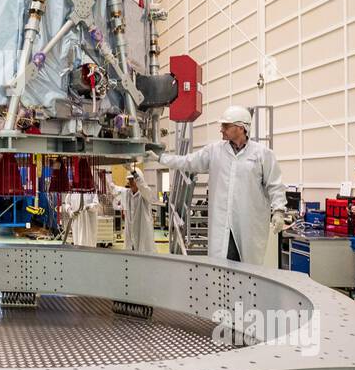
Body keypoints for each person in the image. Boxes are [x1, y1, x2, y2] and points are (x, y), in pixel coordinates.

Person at [157, 104, 287, 264]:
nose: (221, 129)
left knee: (249, 270)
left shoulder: (262, 154)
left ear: (241, 127)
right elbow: (187, 162)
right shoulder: (214, 151)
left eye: (225, 125)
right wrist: (160, 158)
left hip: (249, 224)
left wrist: (279, 211)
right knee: (223, 268)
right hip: (222, 223)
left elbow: (275, 185)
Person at [120, 166, 156, 254]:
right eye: (129, 180)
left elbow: (144, 187)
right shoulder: (127, 193)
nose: (130, 182)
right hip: (131, 235)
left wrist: (134, 173)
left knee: (144, 257)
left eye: (133, 179)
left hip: (143, 233)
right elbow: (115, 189)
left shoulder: (145, 194)